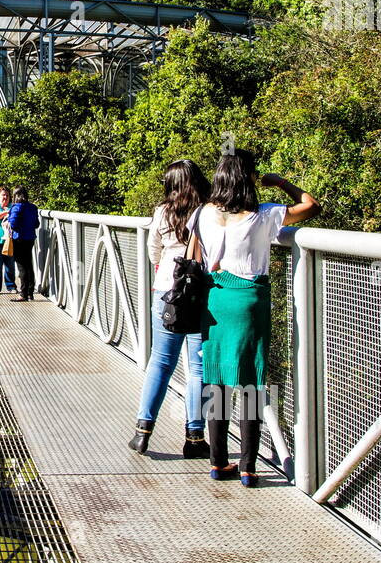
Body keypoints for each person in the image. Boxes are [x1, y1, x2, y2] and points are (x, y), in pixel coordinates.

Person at [191, 149, 319, 487]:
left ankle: (219, 463)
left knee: (216, 380)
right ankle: (248, 467)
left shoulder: (203, 213)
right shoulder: (263, 215)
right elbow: (311, 206)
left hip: (215, 299)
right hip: (250, 299)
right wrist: (281, 182)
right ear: (248, 179)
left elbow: (197, 251)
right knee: (251, 382)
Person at [129, 160, 212, 459]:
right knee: (199, 365)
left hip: (166, 291)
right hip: (201, 293)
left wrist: (164, 274)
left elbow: (154, 252)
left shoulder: (162, 212)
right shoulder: (209, 211)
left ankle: (143, 431)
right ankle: (194, 437)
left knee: (161, 362)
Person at [7, 186, 40, 302]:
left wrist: (9, 220)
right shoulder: (33, 207)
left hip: (19, 239)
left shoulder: (16, 207)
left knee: (22, 267)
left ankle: (23, 294)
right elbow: (37, 224)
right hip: (30, 238)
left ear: (16, 195)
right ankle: (30, 293)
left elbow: (14, 224)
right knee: (29, 265)